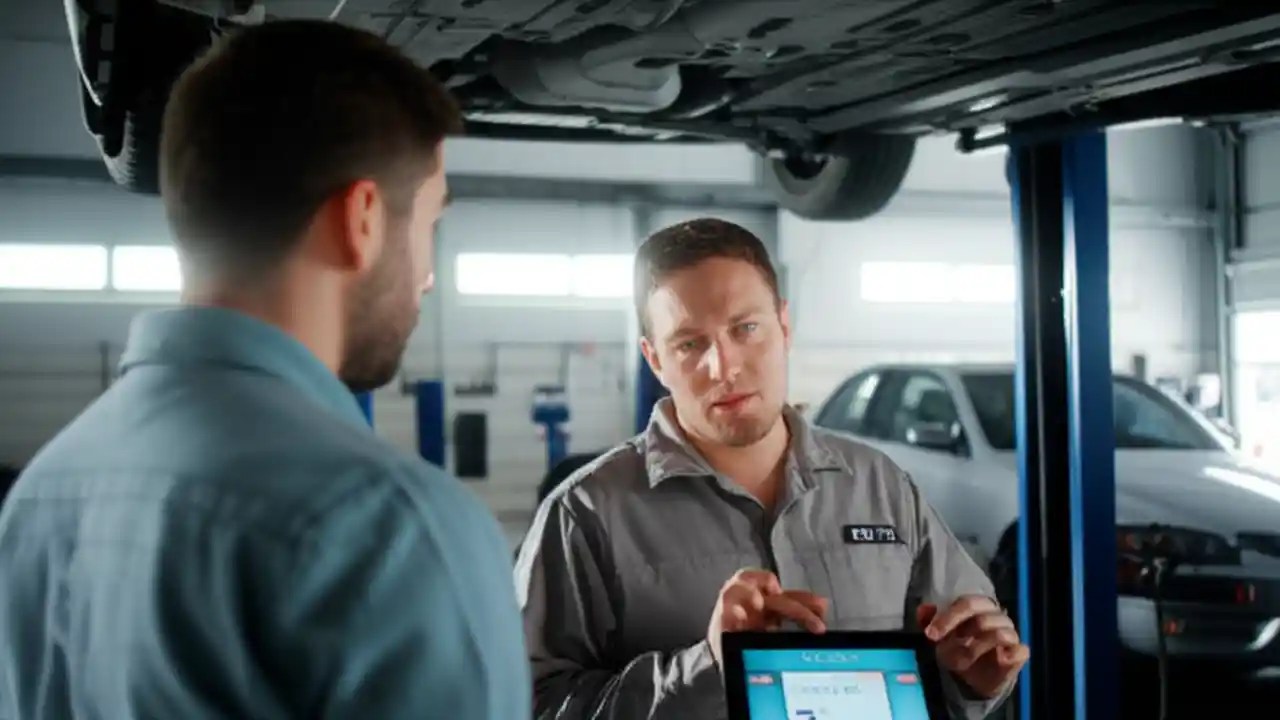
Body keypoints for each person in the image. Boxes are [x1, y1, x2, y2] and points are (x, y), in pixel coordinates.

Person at [0, 20, 529, 720]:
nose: (427, 277)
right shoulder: (388, 525)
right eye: (428, 223)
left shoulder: (41, 494)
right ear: (363, 219)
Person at [515, 218, 1028, 719]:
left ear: (784, 326)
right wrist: (709, 664)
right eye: (690, 344)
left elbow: (954, 672)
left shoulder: (880, 486)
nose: (724, 367)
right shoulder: (585, 515)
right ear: (655, 360)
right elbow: (528, 704)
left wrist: (971, 682)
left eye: (746, 328)